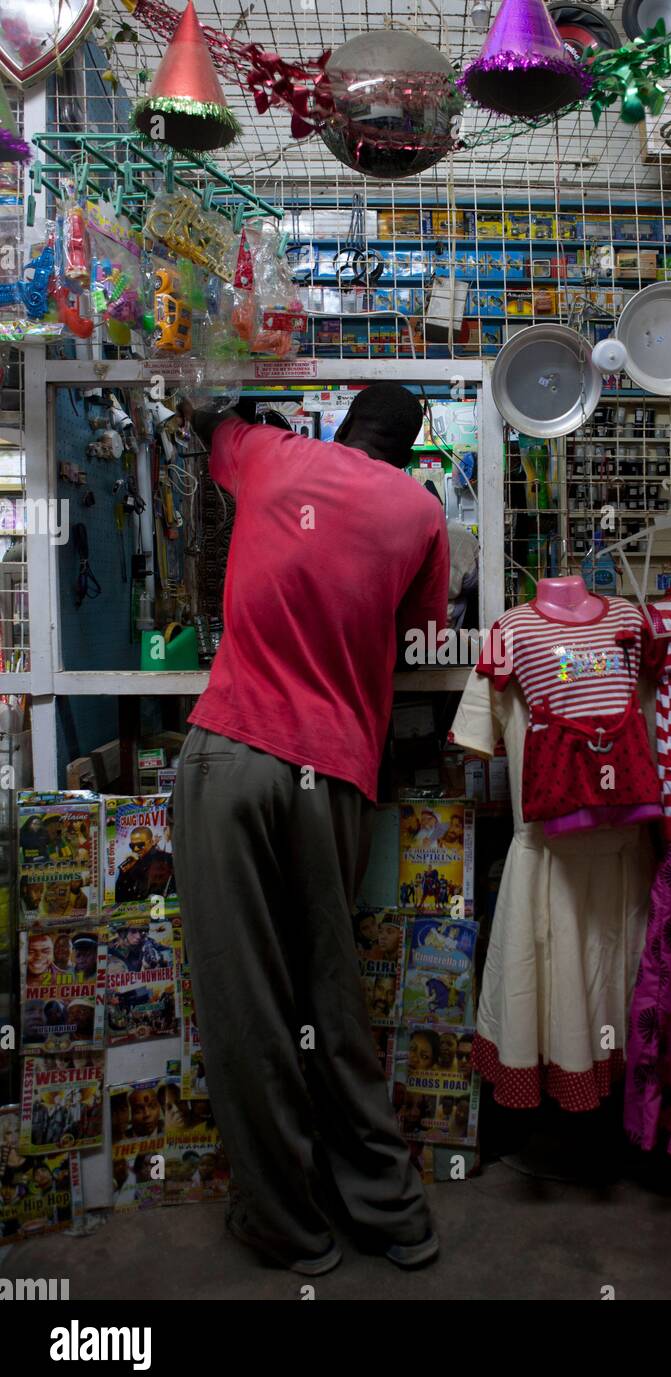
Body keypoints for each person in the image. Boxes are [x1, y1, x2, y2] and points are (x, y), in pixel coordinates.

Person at [171, 384, 448, 1277]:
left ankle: (289, 1228)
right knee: (333, 999)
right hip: (330, 770)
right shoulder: (420, 510)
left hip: (231, 753)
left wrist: (238, 412)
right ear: (411, 449)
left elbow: (206, 420)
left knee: (246, 1006)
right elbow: (417, 639)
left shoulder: (269, 456)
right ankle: (394, 1214)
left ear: (340, 424)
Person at [115, 826, 175, 903]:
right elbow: (119, 898)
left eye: (140, 845)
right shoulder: (131, 864)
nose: (136, 849)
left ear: (151, 842)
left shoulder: (166, 859)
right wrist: (124, 873)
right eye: (132, 846)